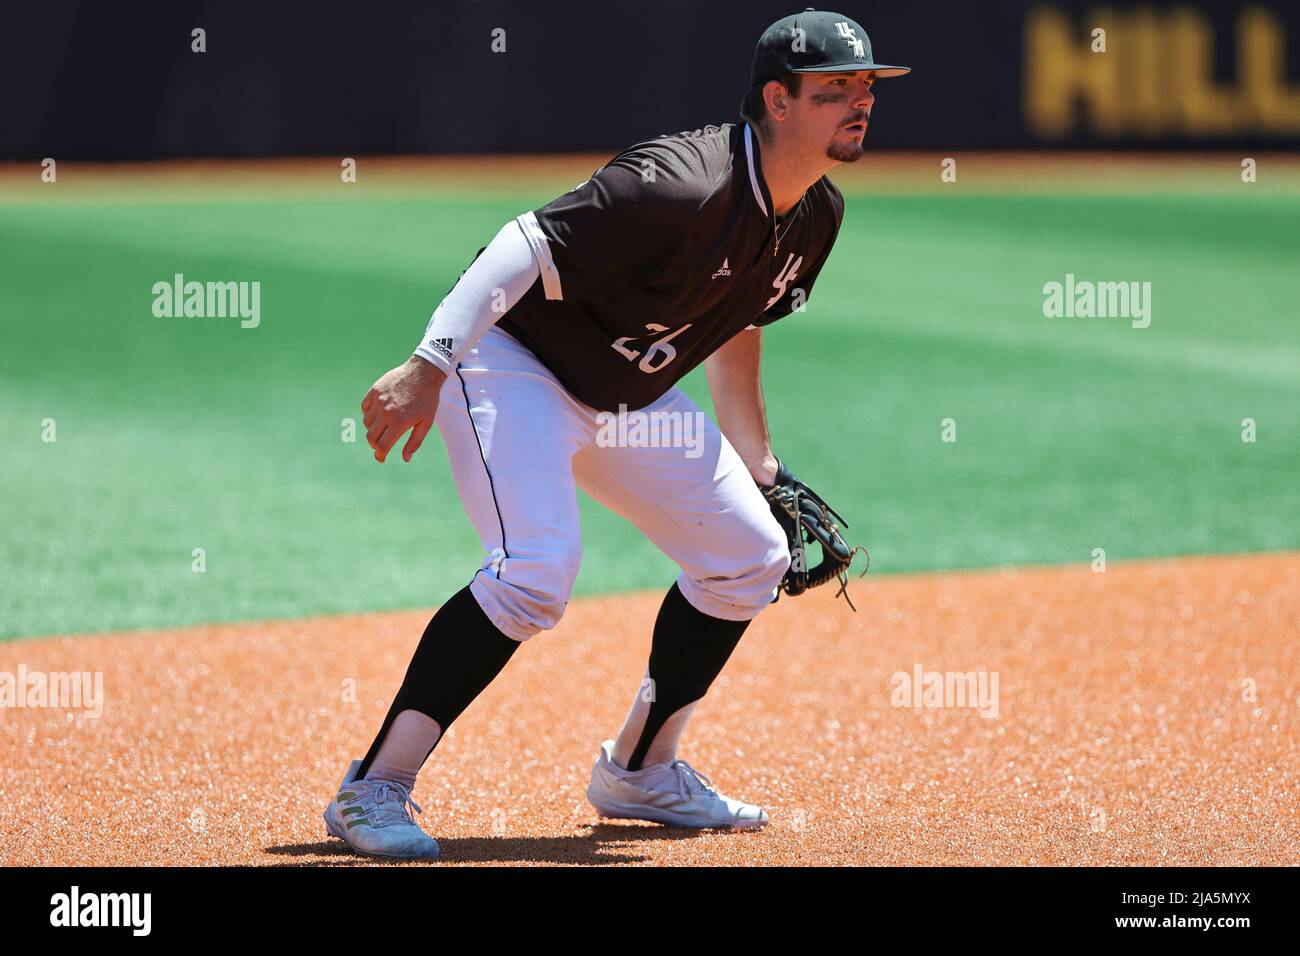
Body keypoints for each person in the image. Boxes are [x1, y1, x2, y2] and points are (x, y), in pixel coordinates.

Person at [323, 8, 909, 859]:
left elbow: (739, 321)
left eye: (865, 88)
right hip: (512, 366)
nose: (860, 102)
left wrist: (758, 462)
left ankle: (639, 769)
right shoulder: (678, 181)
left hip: (625, 397)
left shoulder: (817, 214)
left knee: (750, 556)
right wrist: (429, 364)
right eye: (835, 90)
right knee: (535, 574)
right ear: (777, 102)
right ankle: (372, 788)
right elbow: (521, 243)